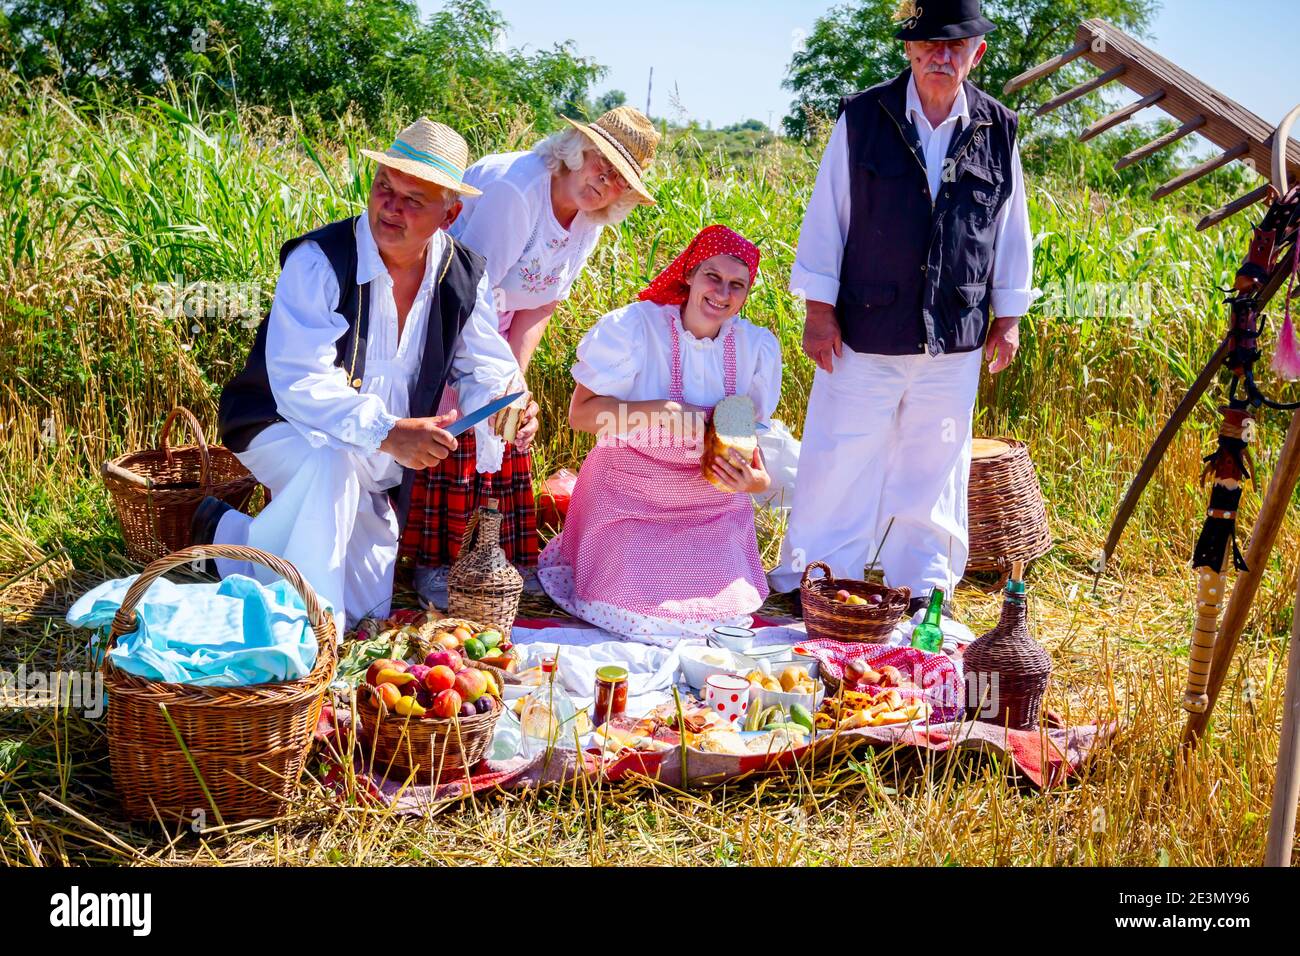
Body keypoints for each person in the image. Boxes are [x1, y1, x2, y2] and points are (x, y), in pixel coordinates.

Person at [202, 118, 539, 630]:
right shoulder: (320, 260)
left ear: (450, 214)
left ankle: (225, 538)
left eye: (413, 200)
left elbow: (486, 366)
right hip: (281, 426)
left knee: (368, 609)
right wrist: (388, 431)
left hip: (377, 453)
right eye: (384, 187)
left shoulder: (462, 274)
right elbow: (300, 382)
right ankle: (312, 637)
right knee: (329, 470)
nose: (390, 207)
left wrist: (508, 407)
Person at [769, 0, 1034, 618]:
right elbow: (828, 216)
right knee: (840, 456)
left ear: (976, 53)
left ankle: (922, 590)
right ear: (910, 49)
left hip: (956, 334)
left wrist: (1009, 316)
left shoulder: (999, 128)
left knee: (935, 463)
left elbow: (1010, 228)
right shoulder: (864, 117)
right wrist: (818, 310)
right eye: (929, 44)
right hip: (864, 327)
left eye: (955, 45)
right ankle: (818, 580)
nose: (941, 55)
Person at [401, 107, 661, 603]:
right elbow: (466, 288)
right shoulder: (517, 190)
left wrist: (514, 385)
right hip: (442, 311)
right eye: (601, 163)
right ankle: (435, 564)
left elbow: (541, 304)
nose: (604, 181)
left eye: (618, 180)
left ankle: (497, 559)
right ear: (577, 150)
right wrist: (494, 384)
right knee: (456, 426)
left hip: (494, 320)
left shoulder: (588, 219)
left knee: (511, 426)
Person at [537, 225, 783, 645]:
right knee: (625, 605)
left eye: (737, 285)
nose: (722, 293)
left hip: (711, 510)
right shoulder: (635, 329)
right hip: (628, 499)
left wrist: (756, 482)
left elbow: (749, 450)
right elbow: (581, 415)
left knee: (726, 612)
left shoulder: (754, 349)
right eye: (712, 276)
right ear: (689, 273)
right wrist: (658, 411)